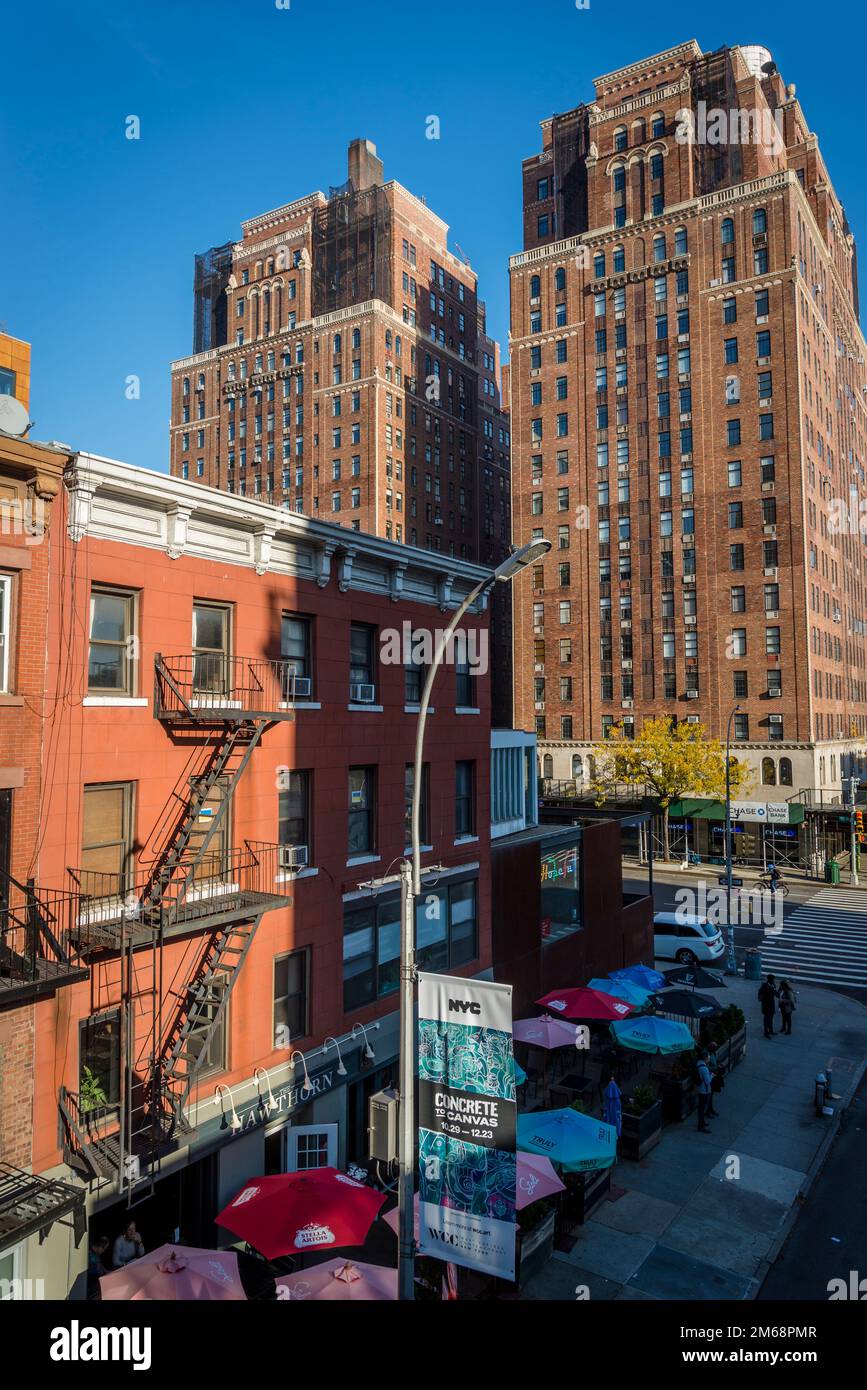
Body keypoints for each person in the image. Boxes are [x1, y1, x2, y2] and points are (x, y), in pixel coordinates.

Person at [706, 1042, 725, 1118]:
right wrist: (716, 1068)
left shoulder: (713, 1054)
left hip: (714, 1076)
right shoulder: (707, 1055)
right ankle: (708, 1111)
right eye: (714, 1048)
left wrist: (719, 1065)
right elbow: (707, 1067)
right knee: (709, 1095)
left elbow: (716, 1062)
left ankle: (711, 1109)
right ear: (711, 1048)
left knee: (712, 1094)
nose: (715, 1049)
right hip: (710, 1077)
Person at [696, 1050, 713, 1133]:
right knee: (702, 1108)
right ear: (705, 1058)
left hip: (700, 1089)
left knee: (701, 1108)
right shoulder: (704, 1068)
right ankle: (700, 1126)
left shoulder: (698, 1064)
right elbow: (707, 1081)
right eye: (708, 1056)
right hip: (704, 1090)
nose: (709, 1058)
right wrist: (711, 1075)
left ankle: (702, 1122)